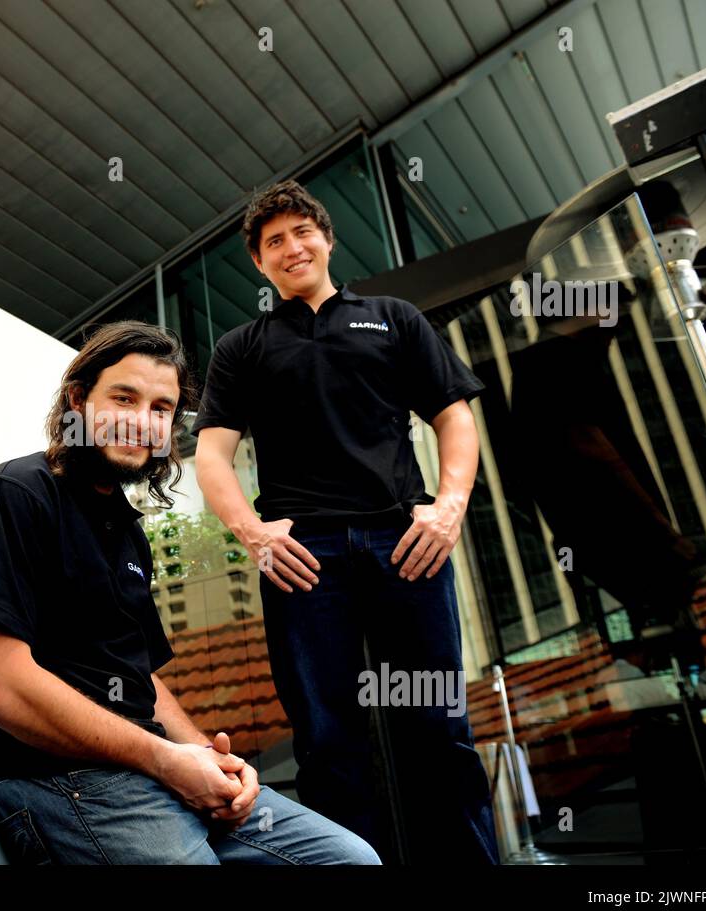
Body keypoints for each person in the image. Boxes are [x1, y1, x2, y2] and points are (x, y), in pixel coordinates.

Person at [0, 320, 380, 865]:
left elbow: (142, 678)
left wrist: (206, 758)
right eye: (124, 398)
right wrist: (164, 760)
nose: (142, 421)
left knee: (349, 859)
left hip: (151, 771)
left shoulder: (127, 530)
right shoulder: (15, 494)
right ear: (78, 400)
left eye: (161, 409)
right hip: (59, 780)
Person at [193, 179, 499, 864]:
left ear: (327, 240)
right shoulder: (244, 345)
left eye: (303, 231)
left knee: (439, 725)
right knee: (327, 740)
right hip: (303, 557)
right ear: (260, 264)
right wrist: (253, 533)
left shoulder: (392, 318)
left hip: (405, 543)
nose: (291, 246)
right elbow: (212, 452)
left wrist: (448, 508)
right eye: (274, 241)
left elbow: (454, 416)